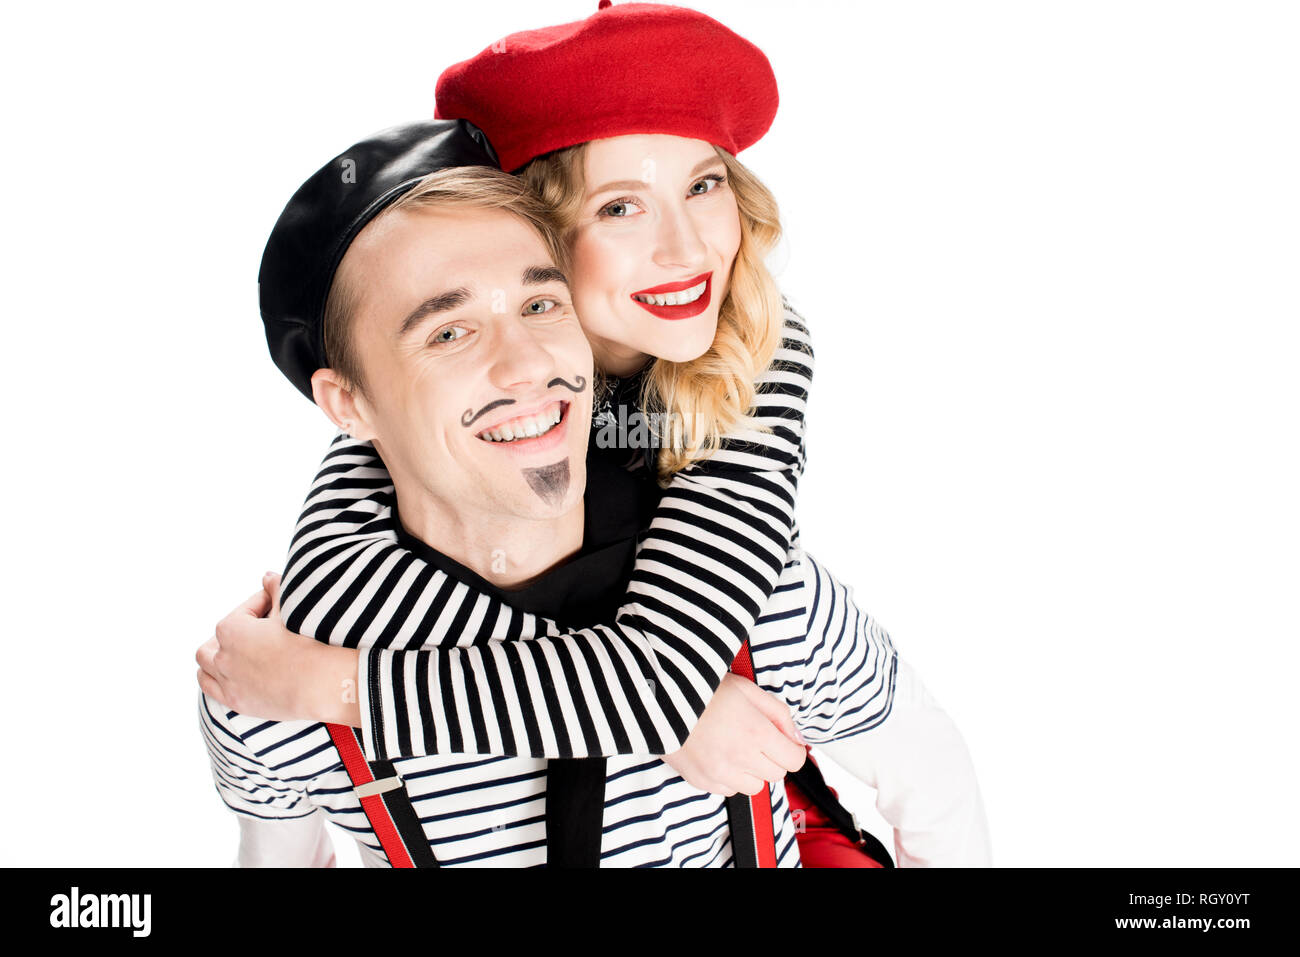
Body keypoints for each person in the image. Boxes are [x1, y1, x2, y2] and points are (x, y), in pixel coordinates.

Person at [200, 2, 991, 866]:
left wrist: (332, 685)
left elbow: (918, 771)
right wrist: (302, 661)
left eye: (704, 183)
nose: (687, 248)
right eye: (620, 207)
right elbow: (351, 513)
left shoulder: (752, 370)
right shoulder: (318, 598)